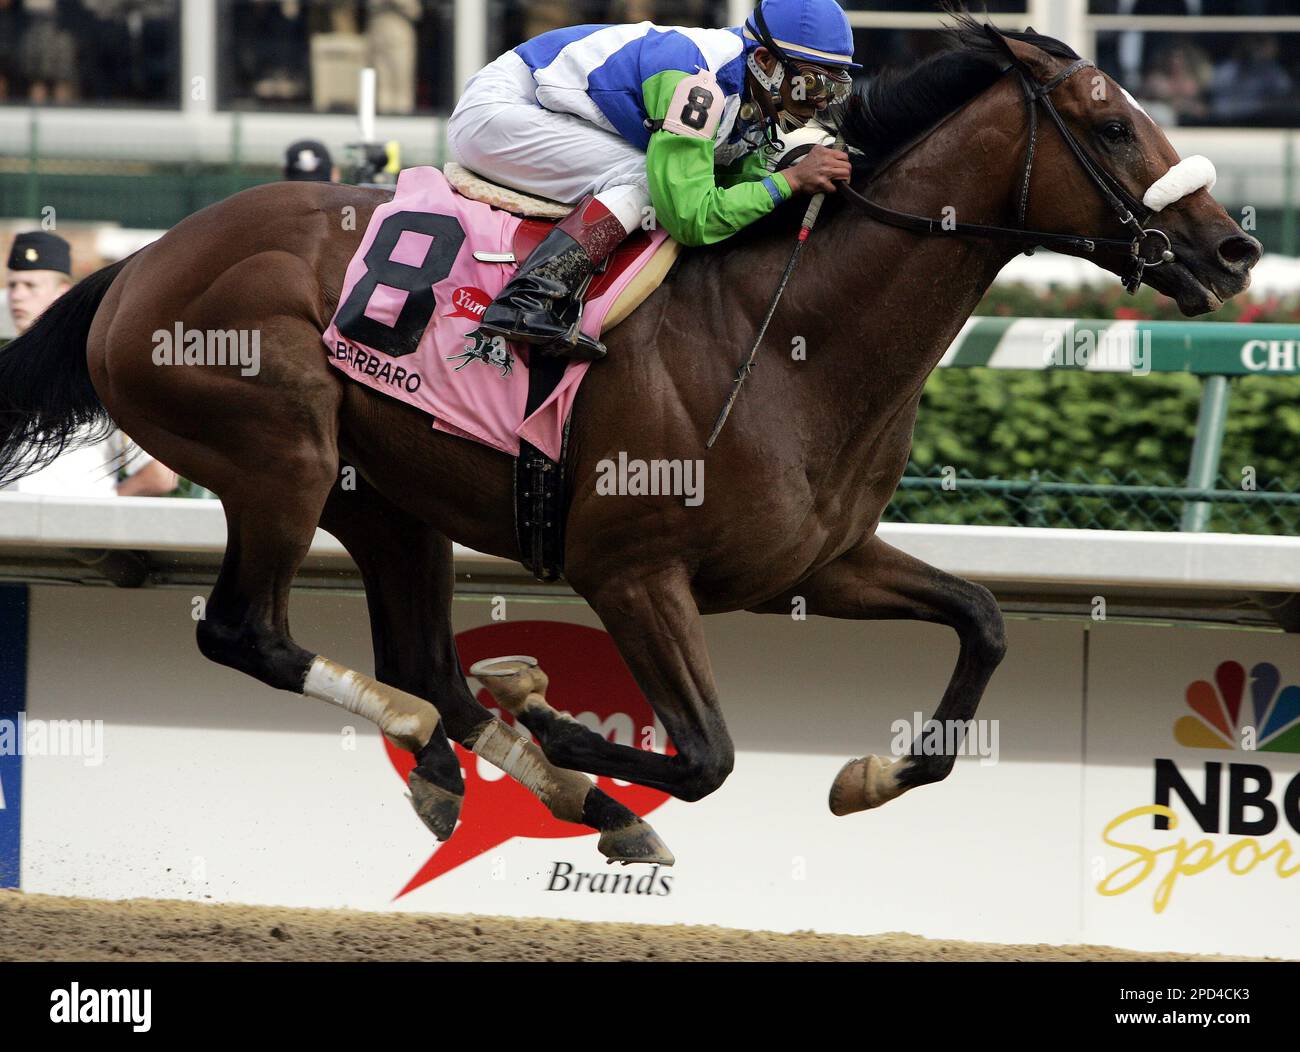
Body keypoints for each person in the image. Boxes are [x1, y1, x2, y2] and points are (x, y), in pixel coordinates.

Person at [446, 0, 857, 360]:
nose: (821, 100)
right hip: (500, 111)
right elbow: (689, 216)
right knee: (646, 179)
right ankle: (528, 296)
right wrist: (788, 181)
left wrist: (784, 176)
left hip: (547, 111)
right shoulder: (699, 84)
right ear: (766, 62)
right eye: (813, 82)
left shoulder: (751, 87)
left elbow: (731, 183)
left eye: (835, 85)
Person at [3, 231, 177, 498]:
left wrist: (103, 510)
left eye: (31, 286)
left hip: (76, 534)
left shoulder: (95, 372)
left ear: (63, 293)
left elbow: (160, 475)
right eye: (12, 285)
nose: (17, 296)